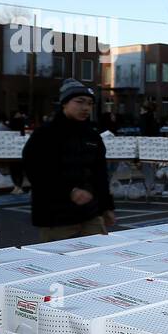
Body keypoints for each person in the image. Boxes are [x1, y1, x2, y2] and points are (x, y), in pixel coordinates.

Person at [22, 79, 115, 241]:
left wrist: (107, 207)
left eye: (89, 103)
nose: (85, 108)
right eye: (79, 102)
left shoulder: (92, 136)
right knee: (60, 262)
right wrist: (70, 191)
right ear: (64, 103)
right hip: (56, 216)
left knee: (100, 256)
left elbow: (100, 173)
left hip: (90, 214)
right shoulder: (45, 134)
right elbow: (35, 171)